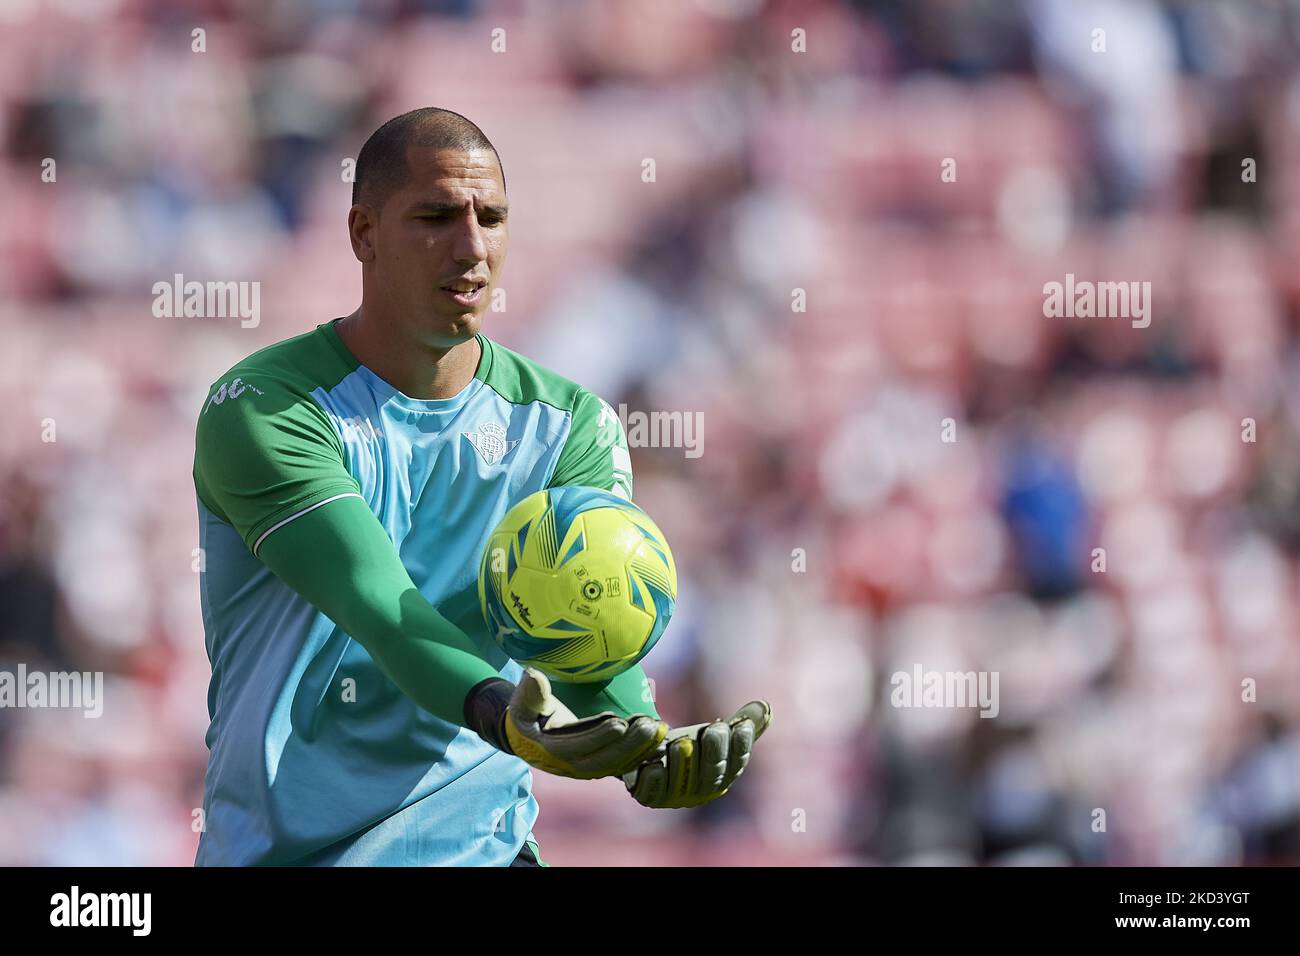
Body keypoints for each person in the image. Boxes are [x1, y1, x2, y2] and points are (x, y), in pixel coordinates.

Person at [192, 107, 771, 866]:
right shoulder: (266, 408)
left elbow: (595, 642)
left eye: (491, 217)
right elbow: (386, 612)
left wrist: (645, 750)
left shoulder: (571, 425)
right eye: (435, 216)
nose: (472, 247)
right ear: (363, 233)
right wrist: (500, 713)